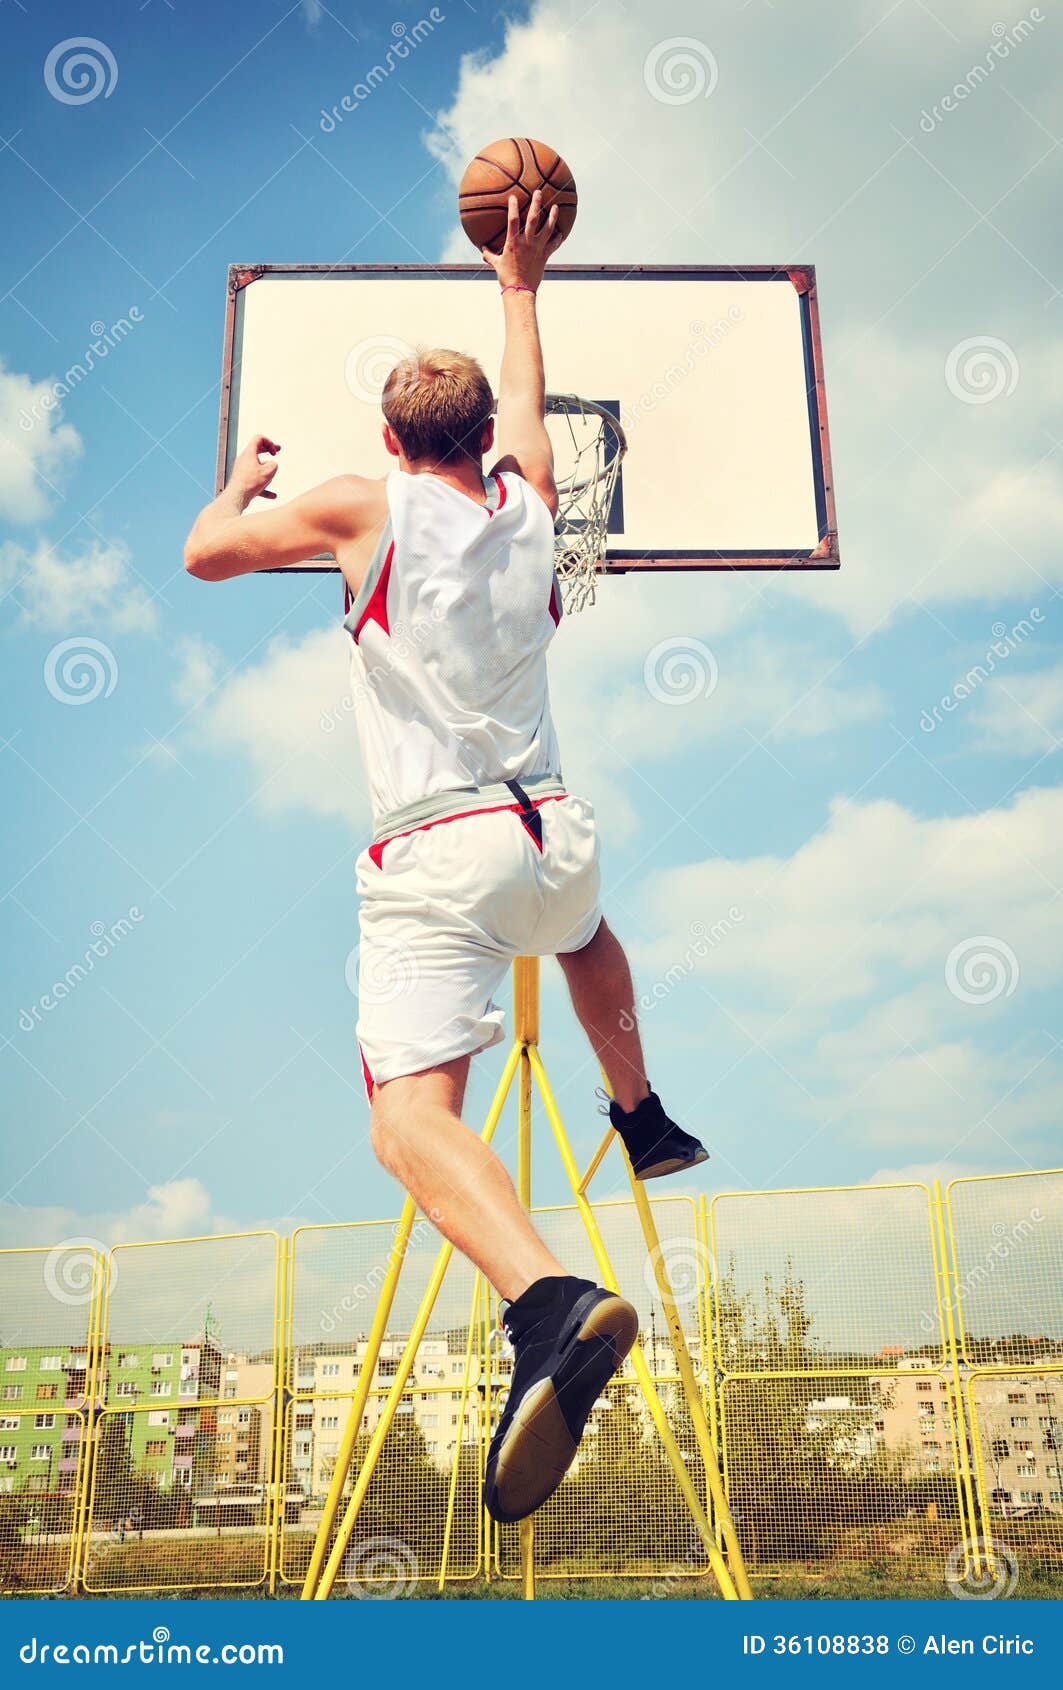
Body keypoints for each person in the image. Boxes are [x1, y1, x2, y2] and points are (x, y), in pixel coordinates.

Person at [183, 191, 708, 1524]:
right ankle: (641, 1112)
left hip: (438, 849)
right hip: (554, 832)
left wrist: (242, 490)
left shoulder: (364, 506)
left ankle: (548, 1298)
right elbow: (529, 392)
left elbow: (203, 556)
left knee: (406, 1121)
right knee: (585, 936)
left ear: (388, 436)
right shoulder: (531, 509)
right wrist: (519, 279)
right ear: (490, 442)